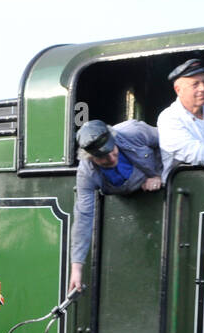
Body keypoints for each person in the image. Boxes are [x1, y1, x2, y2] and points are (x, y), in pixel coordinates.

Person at [69, 119, 163, 293]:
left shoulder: (134, 131)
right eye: (103, 157)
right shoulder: (86, 173)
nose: (111, 158)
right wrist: (76, 268)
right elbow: (83, 217)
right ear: (90, 158)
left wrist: (162, 176)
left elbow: (173, 142)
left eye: (112, 151)